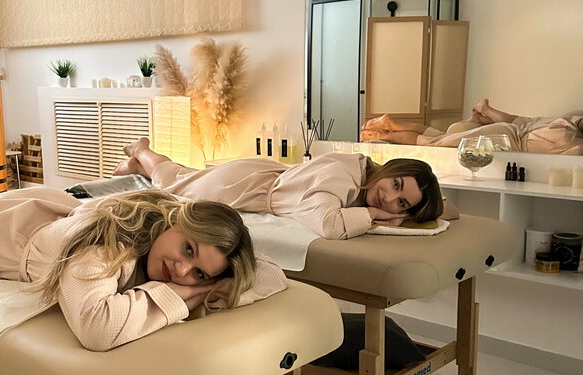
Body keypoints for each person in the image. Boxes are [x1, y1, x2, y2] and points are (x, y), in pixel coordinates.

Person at [0, 149, 286, 352]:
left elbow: (273, 275)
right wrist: (183, 295)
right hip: (3, 236)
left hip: (41, 212)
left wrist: (217, 281)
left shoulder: (163, 230)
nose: (181, 269)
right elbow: (98, 329)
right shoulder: (106, 247)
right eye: (188, 248)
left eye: (200, 273)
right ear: (174, 220)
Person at [113, 138, 448, 241]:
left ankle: (137, 165)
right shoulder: (342, 175)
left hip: (261, 177)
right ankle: (142, 151)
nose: (389, 198)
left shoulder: (363, 175)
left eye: (402, 203)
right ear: (389, 170)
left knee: (184, 175)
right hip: (245, 187)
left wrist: (419, 211)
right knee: (173, 182)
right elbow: (327, 224)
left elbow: (447, 209)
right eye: (395, 184)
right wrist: (374, 214)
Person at [362, 101, 583, 155]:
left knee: (442, 137)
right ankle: (387, 135)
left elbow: (524, 122)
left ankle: (392, 127)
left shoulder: (569, 123)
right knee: (435, 144)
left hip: (505, 134)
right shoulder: (572, 144)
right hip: (503, 142)